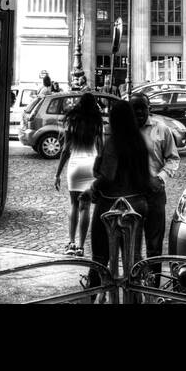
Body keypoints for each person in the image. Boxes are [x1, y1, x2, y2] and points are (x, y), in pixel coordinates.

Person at [88, 100, 155, 284]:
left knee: (100, 256)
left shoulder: (114, 141)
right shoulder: (139, 141)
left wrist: (93, 187)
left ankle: (95, 290)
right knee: (132, 256)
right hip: (137, 204)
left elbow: (107, 176)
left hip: (113, 204)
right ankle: (134, 293)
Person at [130, 94, 180, 264]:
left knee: (154, 246)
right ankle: (134, 287)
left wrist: (160, 178)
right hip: (130, 196)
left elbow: (173, 158)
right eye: (134, 108)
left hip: (154, 194)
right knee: (131, 246)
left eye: (142, 108)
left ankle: (153, 287)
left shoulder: (162, 129)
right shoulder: (123, 132)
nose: (138, 112)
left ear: (148, 108)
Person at [55, 92, 103, 256]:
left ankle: (71, 243)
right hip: (91, 165)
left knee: (74, 204)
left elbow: (65, 150)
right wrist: (101, 170)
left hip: (75, 166)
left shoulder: (72, 122)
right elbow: (101, 148)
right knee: (86, 207)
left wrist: (58, 173)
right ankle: (81, 246)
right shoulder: (97, 122)